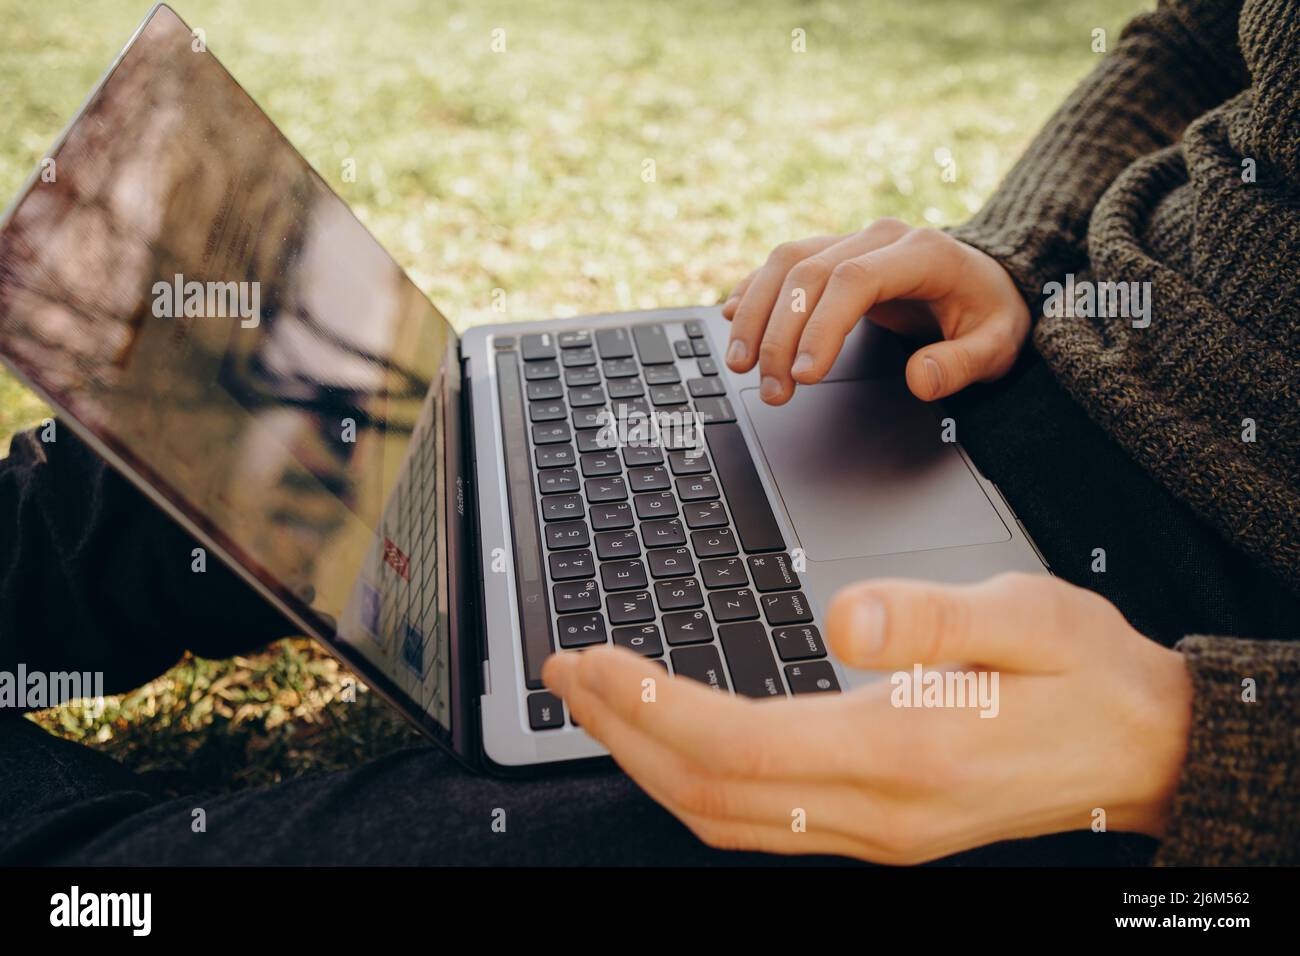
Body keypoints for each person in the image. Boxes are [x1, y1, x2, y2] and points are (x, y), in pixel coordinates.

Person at [1, 0, 1296, 865]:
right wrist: (1013, 251)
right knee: (345, 447)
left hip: (1183, 632)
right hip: (999, 372)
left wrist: (1200, 741)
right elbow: (1202, 33)